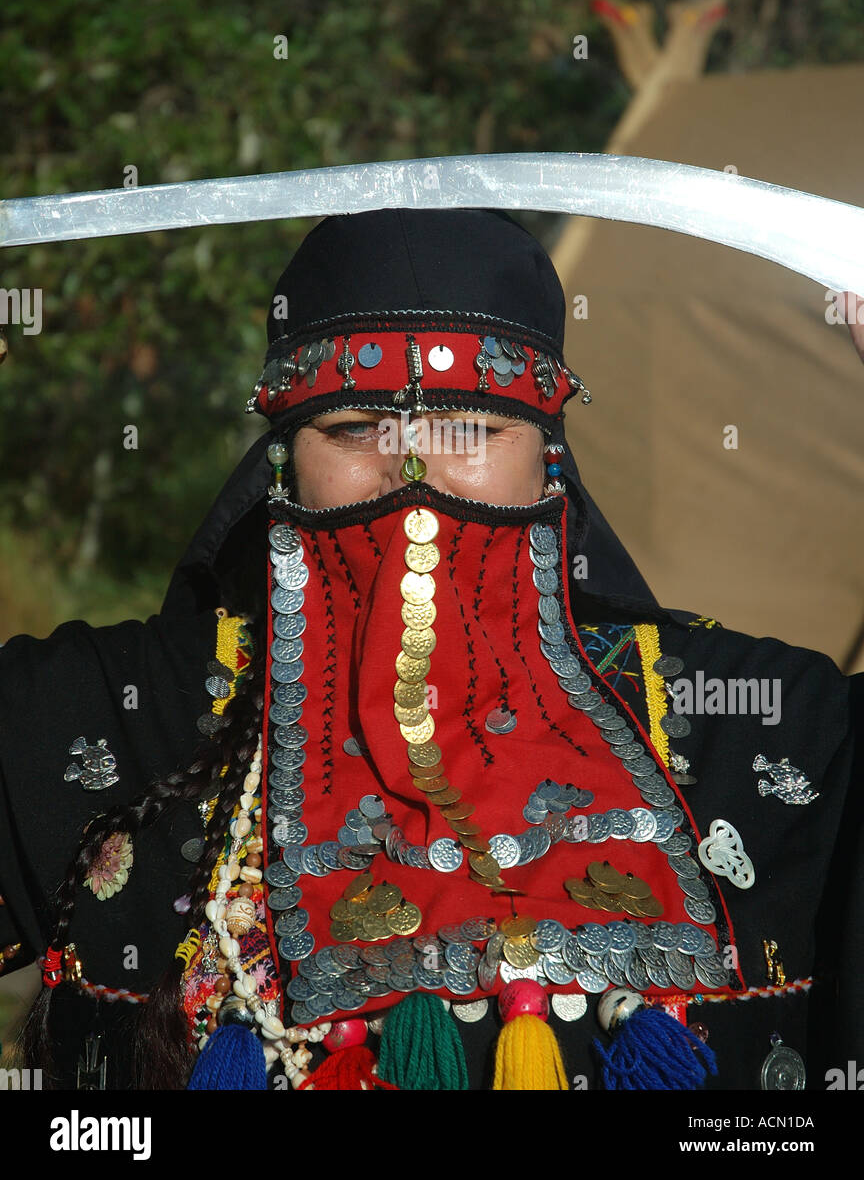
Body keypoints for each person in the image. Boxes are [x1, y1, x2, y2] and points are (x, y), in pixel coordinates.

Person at [0, 207, 860, 1091]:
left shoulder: (753, 724)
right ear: (284, 459)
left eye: (471, 430)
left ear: (548, 459)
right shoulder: (117, 707)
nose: (411, 471)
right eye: (354, 428)